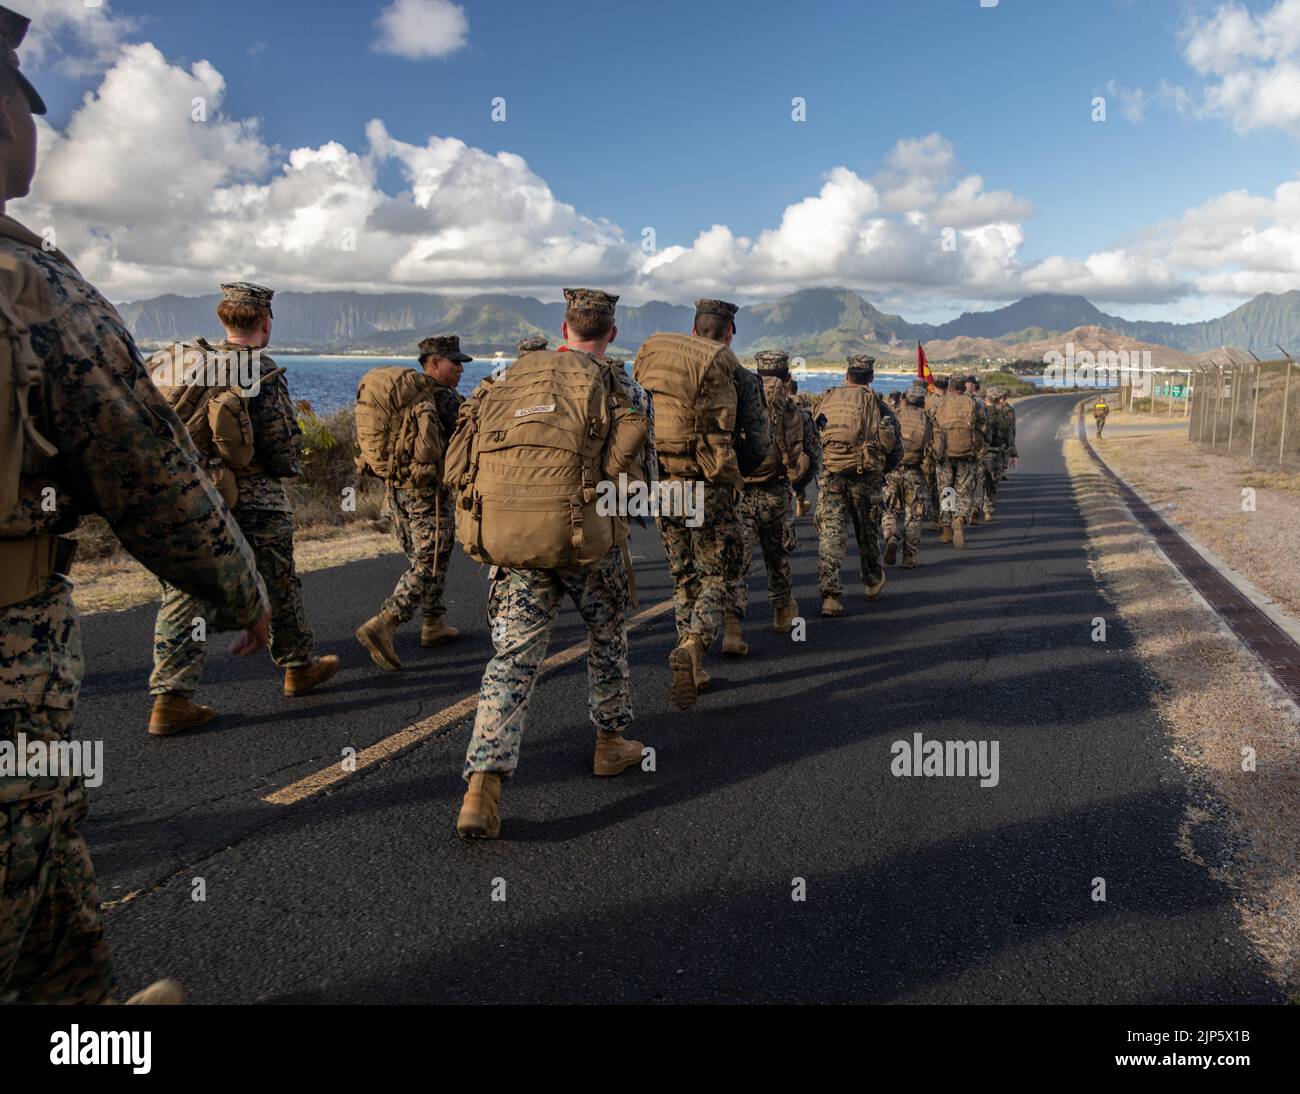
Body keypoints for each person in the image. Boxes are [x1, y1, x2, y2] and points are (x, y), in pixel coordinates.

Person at [0, 3, 269, 1003]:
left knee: (52, 855)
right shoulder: (33, 289)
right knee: (25, 818)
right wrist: (245, 588)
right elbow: (150, 480)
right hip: (8, 661)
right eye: (25, 101)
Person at [449, 289, 648, 839]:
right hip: (587, 541)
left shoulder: (509, 379)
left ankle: (482, 785)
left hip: (515, 542)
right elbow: (635, 475)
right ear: (610, 332)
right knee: (607, 633)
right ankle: (610, 744)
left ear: (563, 328)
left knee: (512, 656)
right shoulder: (621, 386)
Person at [147, 283, 339, 732]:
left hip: (189, 495)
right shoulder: (259, 369)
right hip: (253, 499)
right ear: (265, 321)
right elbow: (281, 448)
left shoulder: (184, 360)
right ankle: (297, 668)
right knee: (278, 581)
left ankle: (170, 698)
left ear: (224, 319)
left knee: (183, 591)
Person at [633, 299, 764, 709]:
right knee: (719, 575)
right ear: (728, 334)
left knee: (683, 574)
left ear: (694, 330)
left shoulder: (660, 364)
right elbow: (759, 445)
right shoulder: (738, 374)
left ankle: (693, 661)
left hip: (663, 484)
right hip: (711, 490)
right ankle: (693, 646)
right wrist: (732, 468)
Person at [354, 336, 469, 670]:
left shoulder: (407, 395)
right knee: (431, 555)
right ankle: (387, 622)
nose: (460, 369)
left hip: (397, 488)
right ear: (434, 363)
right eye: (454, 362)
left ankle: (433, 622)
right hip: (427, 491)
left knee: (430, 553)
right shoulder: (439, 397)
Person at [814, 355, 899, 616]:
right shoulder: (879, 405)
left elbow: (813, 436)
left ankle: (831, 596)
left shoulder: (826, 400)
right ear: (870, 378)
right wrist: (882, 469)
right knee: (867, 533)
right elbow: (896, 450)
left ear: (846, 376)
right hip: (866, 479)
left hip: (832, 477)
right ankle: (872, 581)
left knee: (831, 535)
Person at [738, 350, 806, 633]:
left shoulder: (740, 397)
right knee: (776, 556)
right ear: (787, 376)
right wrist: (798, 489)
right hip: (776, 490)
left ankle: (732, 627)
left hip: (740, 490)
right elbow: (808, 453)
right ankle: (781, 612)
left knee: (737, 560)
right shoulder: (793, 410)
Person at [882, 382, 943, 568]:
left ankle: (891, 534)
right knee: (913, 516)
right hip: (915, 473)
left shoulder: (893, 415)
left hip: (892, 471)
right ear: (923, 402)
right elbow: (938, 450)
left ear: (905, 400)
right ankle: (909, 557)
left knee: (889, 510)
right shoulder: (928, 420)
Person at [935, 374, 986, 549]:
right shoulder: (973, 402)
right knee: (963, 490)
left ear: (950, 387)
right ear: (964, 387)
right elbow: (983, 426)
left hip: (945, 454)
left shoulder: (941, 402)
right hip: (967, 453)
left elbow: (932, 425)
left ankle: (947, 528)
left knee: (947, 489)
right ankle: (960, 518)